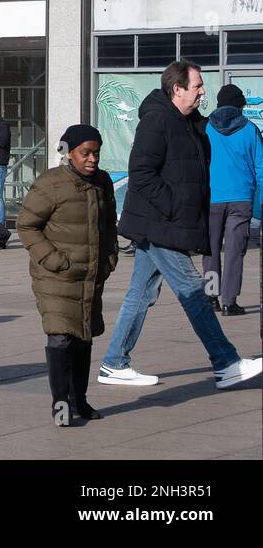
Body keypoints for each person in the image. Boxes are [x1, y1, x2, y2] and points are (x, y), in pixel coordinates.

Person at [99, 61, 261, 390]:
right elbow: (142, 174)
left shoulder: (186, 122)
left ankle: (114, 362)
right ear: (177, 89)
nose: (204, 92)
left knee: (140, 294)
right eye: (198, 86)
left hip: (164, 223)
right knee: (194, 292)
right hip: (161, 224)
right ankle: (226, 362)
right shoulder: (157, 122)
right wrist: (175, 208)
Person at [16, 125, 118, 427]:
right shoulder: (51, 184)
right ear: (68, 152)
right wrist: (52, 259)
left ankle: (80, 400)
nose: (92, 159)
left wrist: (108, 258)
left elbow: (109, 224)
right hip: (55, 277)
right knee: (61, 337)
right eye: (85, 153)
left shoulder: (103, 182)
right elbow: (26, 225)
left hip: (89, 276)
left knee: (83, 337)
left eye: (96, 153)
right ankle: (60, 403)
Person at [203, 84, 263, 316]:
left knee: (210, 250)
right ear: (240, 105)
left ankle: (211, 298)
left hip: (211, 199)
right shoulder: (250, 130)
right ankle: (229, 302)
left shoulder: (206, 128)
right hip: (241, 199)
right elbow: (260, 166)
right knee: (235, 251)